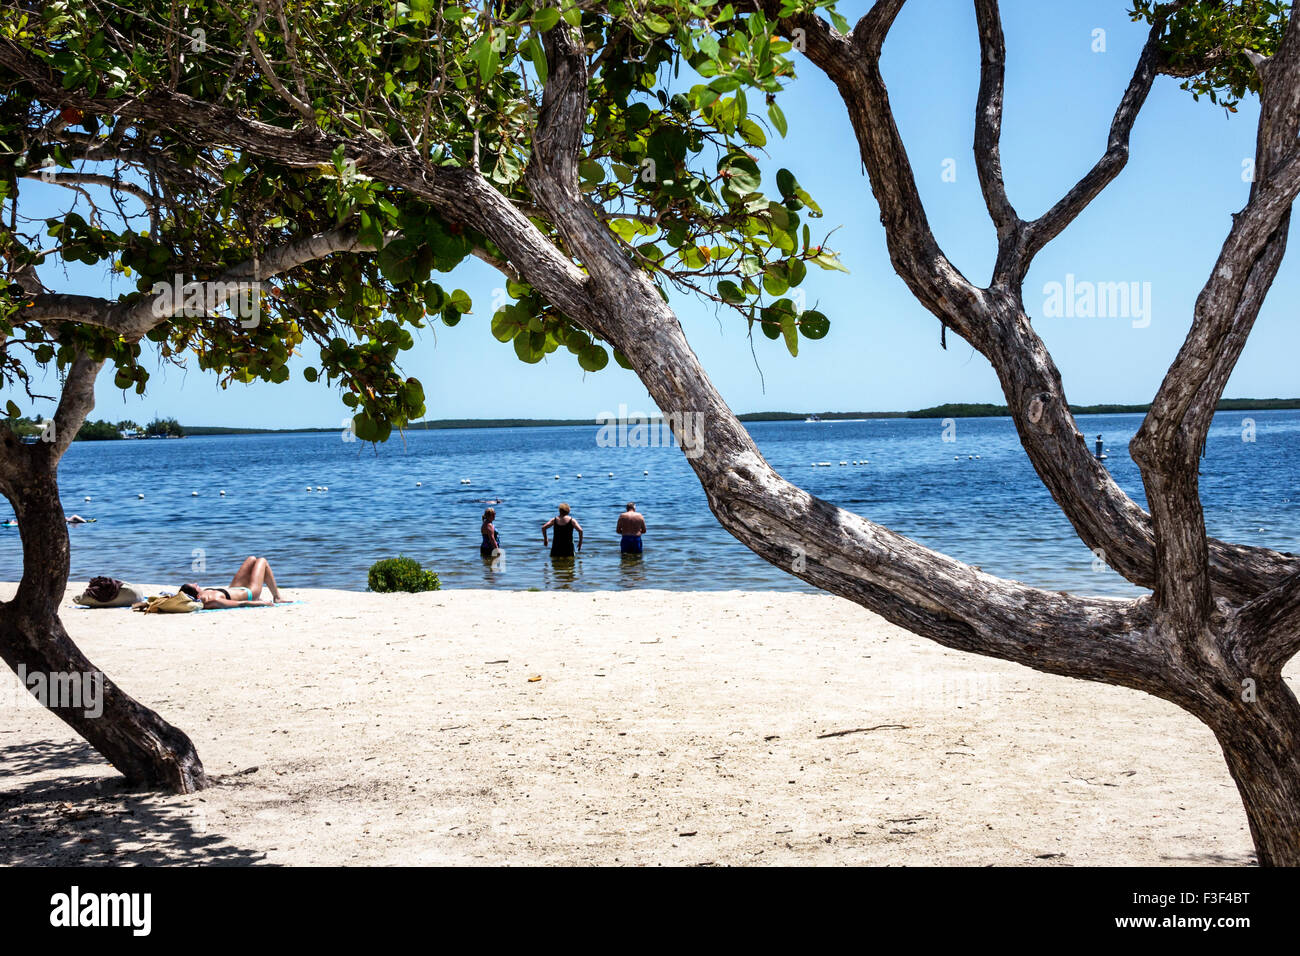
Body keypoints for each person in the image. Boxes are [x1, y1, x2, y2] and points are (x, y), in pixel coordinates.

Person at [179, 555, 287, 609]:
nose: (197, 584)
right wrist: (261, 603)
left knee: (252, 559)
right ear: (197, 596)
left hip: (235, 588)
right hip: (250, 593)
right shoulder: (213, 601)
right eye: (195, 586)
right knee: (262, 561)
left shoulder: (201, 595)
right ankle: (277, 597)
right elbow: (240, 604)